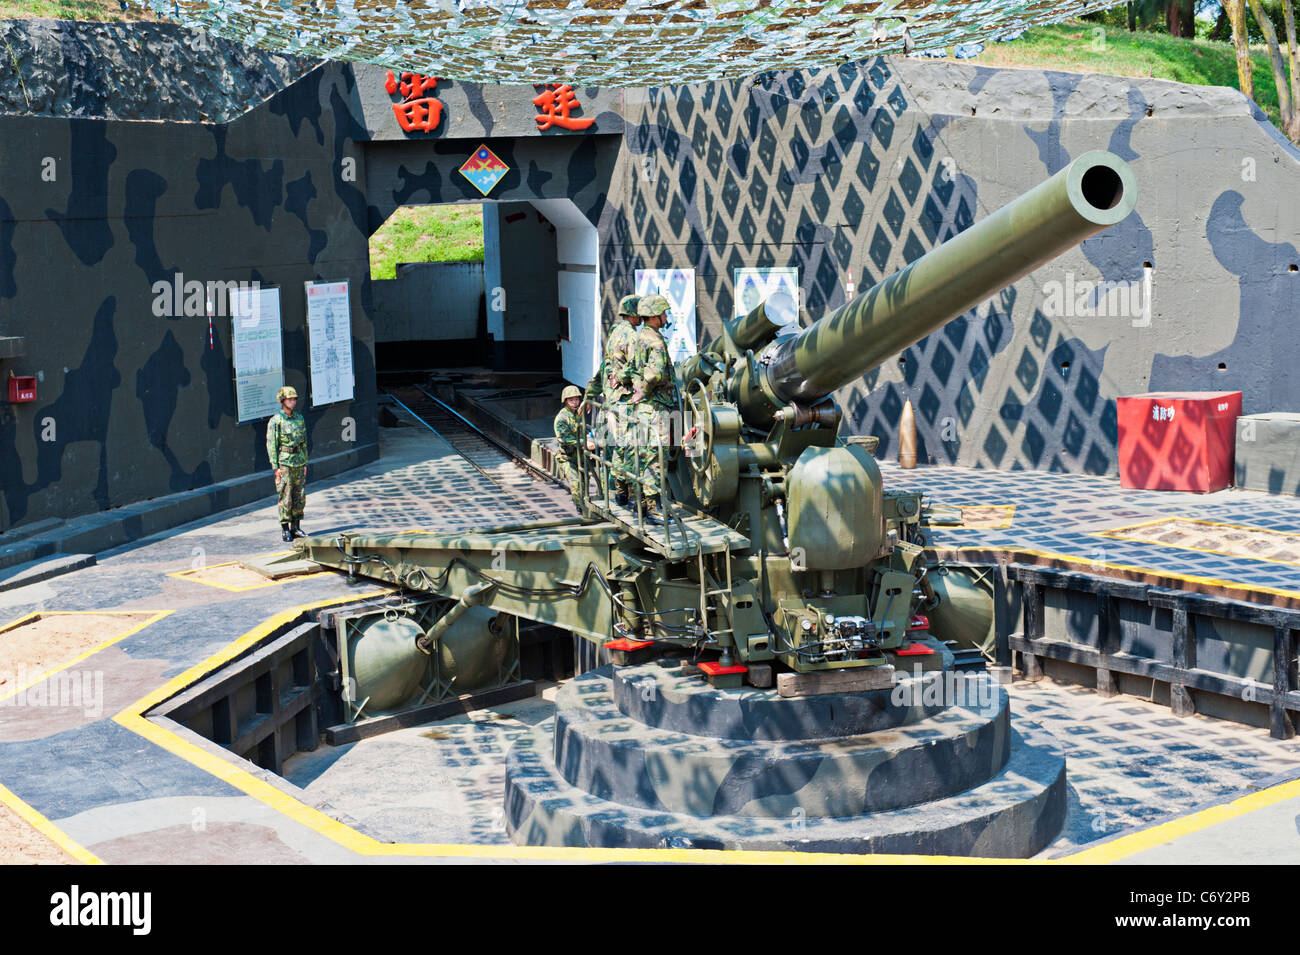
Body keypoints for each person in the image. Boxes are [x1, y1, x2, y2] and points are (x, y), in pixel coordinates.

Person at [631, 294, 677, 525]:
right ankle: (654, 508)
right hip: (658, 406)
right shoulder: (656, 342)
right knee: (657, 458)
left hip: (645, 409)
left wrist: (638, 390)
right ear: (655, 316)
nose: (666, 316)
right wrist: (644, 389)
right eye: (664, 313)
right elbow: (656, 373)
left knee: (646, 455)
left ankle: (644, 504)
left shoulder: (640, 337)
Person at [602, 294, 641, 506]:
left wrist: (614, 376)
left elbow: (610, 364)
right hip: (626, 397)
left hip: (613, 398)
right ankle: (633, 493)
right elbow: (634, 367)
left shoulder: (615, 332)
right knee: (631, 445)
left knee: (618, 445)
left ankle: (619, 492)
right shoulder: (632, 336)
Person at [266, 385, 308, 542]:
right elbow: (271, 445)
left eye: (294, 399)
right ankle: (285, 529)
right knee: (285, 496)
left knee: (299, 496)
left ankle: (296, 527)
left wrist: (304, 463)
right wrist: (275, 467)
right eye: (289, 399)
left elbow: (304, 442)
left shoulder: (299, 418)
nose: (293, 402)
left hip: (298, 461)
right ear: (282, 401)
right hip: (285, 463)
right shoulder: (276, 421)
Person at [553, 385, 587, 513]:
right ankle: (581, 509)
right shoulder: (562, 418)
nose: (574, 402)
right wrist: (585, 442)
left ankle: (585, 506)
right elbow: (565, 439)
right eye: (571, 400)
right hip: (567, 457)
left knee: (584, 484)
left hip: (580, 455)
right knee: (576, 485)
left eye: (576, 399)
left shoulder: (577, 414)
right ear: (565, 401)